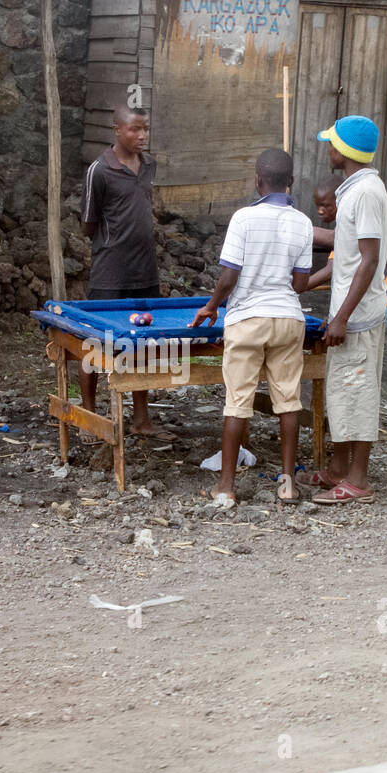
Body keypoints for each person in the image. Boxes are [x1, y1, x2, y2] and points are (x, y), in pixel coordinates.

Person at [191, 149, 312, 506]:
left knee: (237, 402)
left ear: (257, 181)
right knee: (288, 401)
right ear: (290, 182)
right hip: (289, 319)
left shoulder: (243, 218)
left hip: (246, 319)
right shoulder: (303, 223)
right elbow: (300, 283)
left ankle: (226, 487)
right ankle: (288, 485)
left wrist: (212, 306)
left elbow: (229, 275)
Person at [308, 115, 387, 507]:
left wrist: (342, 317)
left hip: (357, 316)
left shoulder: (366, 193)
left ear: (342, 152)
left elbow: (369, 261)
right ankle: (338, 469)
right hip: (348, 311)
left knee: (356, 393)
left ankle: (358, 479)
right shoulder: (354, 190)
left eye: (331, 144)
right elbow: (345, 251)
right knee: (342, 392)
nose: (327, 150)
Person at [77, 105, 170, 440]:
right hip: (110, 272)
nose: (141, 135)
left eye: (145, 129)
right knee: (92, 341)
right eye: (134, 130)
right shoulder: (99, 171)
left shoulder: (149, 166)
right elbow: (88, 225)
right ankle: (89, 414)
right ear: (116, 129)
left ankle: (141, 419)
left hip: (145, 270)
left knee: (143, 345)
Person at [308, 174, 387, 325]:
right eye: (318, 206)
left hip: (375, 303)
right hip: (373, 301)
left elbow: (330, 270)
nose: (320, 211)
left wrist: (299, 287)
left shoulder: (348, 228)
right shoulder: (344, 226)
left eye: (326, 206)